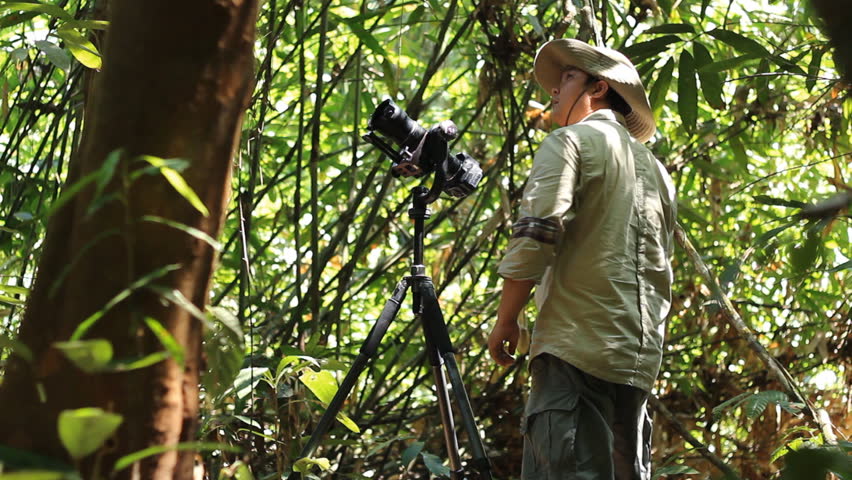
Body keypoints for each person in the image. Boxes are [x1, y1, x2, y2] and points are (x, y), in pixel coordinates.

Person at [487, 38, 677, 480]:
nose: (555, 90)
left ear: (598, 88)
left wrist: (507, 319)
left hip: (575, 350)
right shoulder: (658, 172)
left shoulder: (570, 141)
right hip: (635, 363)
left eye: (568, 77)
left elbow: (537, 232)